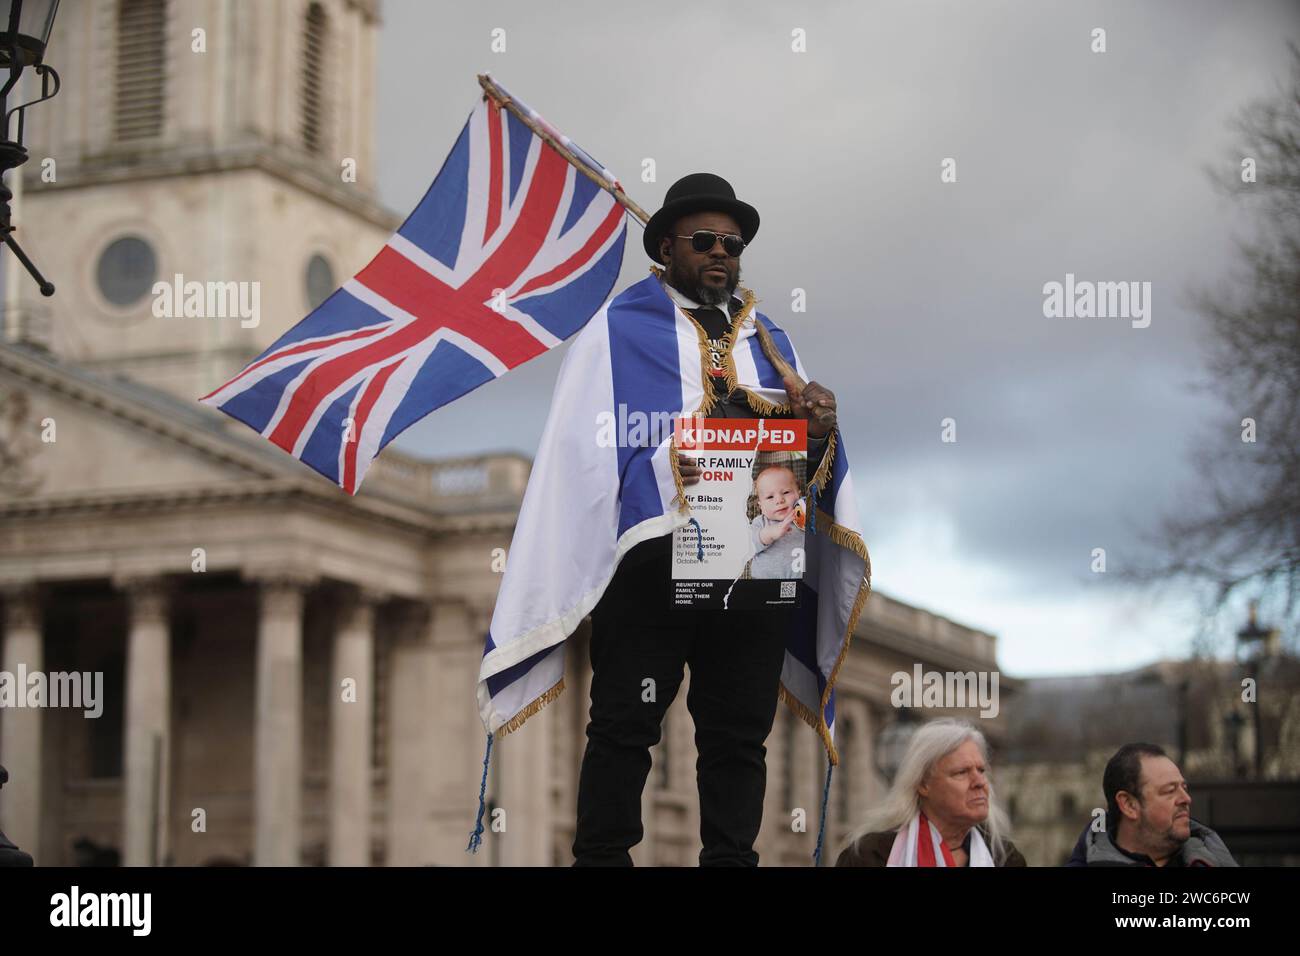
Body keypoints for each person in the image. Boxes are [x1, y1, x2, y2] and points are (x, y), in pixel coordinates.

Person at [571, 173, 840, 865]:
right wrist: (677, 448)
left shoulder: (770, 339)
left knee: (737, 732)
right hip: (655, 557)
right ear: (666, 246)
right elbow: (590, 445)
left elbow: (808, 471)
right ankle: (602, 858)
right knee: (626, 722)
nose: (721, 252)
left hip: (750, 555)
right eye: (704, 240)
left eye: (733, 242)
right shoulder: (621, 327)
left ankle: (730, 860)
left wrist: (816, 428)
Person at [836, 718, 1027, 867]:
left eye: (981, 770)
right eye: (961, 772)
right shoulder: (870, 856)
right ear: (923, 784)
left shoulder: (1005, 859)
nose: (980, 782)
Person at [1064, 742, 1238, 867]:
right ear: (1129, 805)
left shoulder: (1213, 860)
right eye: (1170, 791)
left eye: (1184, 788)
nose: (1186, 799)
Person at [748, 463, 805, 579]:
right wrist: (770, 533)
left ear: (798, 495)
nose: (779, 500)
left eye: (786, 492)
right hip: (764, 584)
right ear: (761, 506)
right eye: (770, 497)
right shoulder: (760, 523)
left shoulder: (804, 518)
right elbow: (749, 545)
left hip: (798, 583)